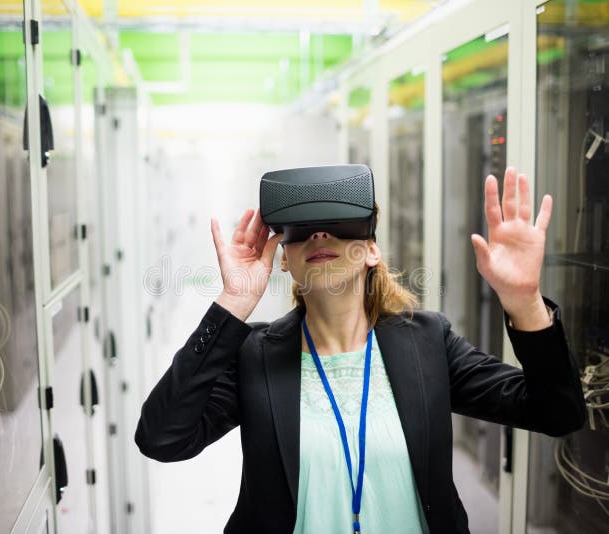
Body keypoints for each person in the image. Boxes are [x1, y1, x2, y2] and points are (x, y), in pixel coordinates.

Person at [135, 167, 586, 533]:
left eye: (339, 226)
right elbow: (162, 439)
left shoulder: (428, 342)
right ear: (284, 259)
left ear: (372, 251)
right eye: (302, 231)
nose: (319, 236)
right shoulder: (254, 356)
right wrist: (233, 302)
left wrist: (525, 302)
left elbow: (558, 412)